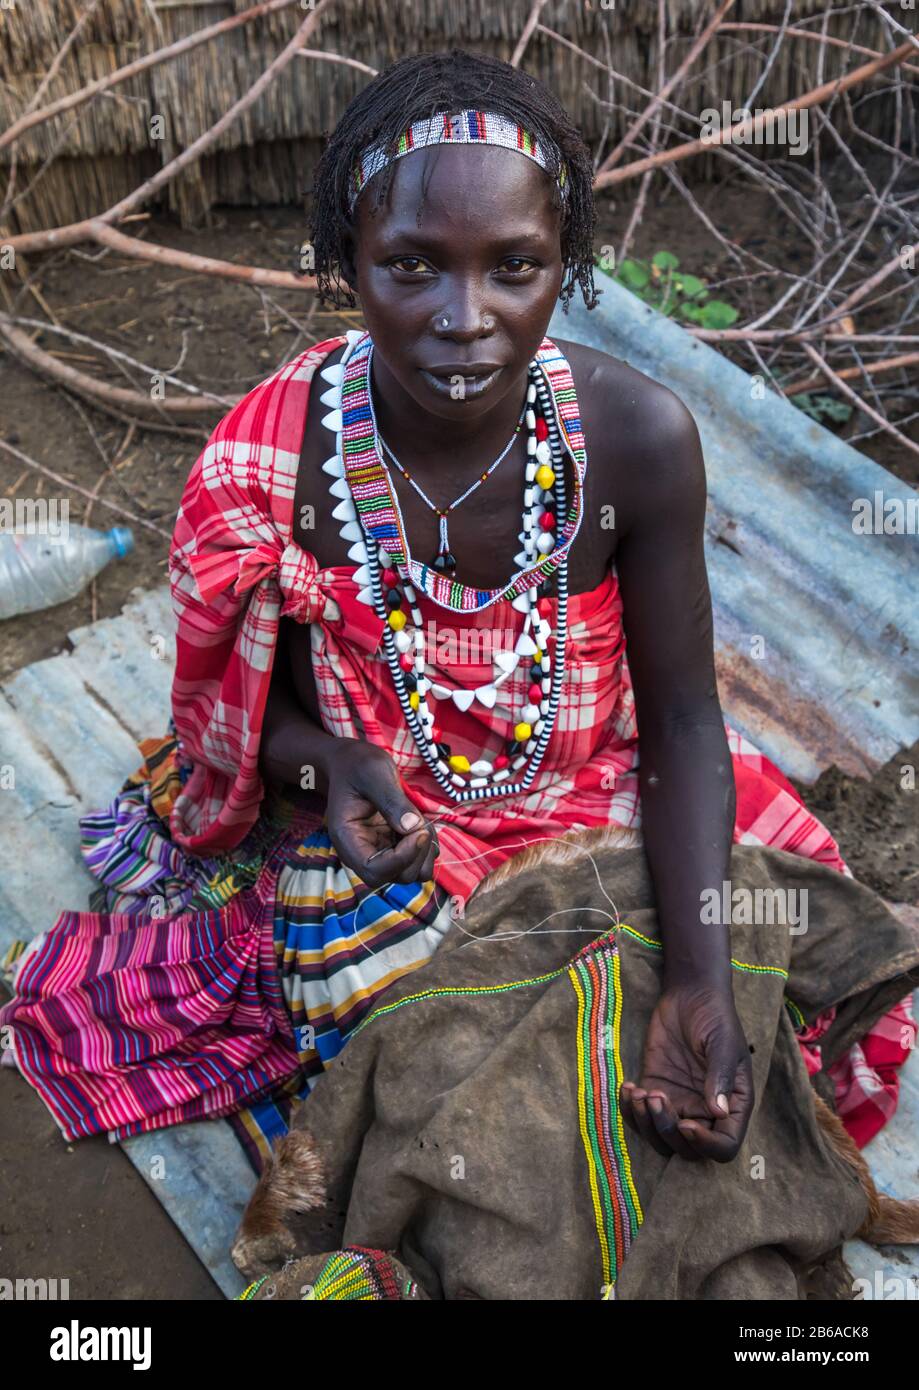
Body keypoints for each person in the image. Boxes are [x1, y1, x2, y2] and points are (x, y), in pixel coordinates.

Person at [1, 49, 912, 1175]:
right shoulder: (271, 463)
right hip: (396, 843)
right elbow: (243, 729)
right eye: (413, 267)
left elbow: (681, 724)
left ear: (564, 266)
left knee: (779, 993)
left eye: (515, 267)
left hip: (605, 791)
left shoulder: (636, 441)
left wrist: (697, 981)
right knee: (453, 1073)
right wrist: (330, 769)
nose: (464, 318)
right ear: (348, 263)